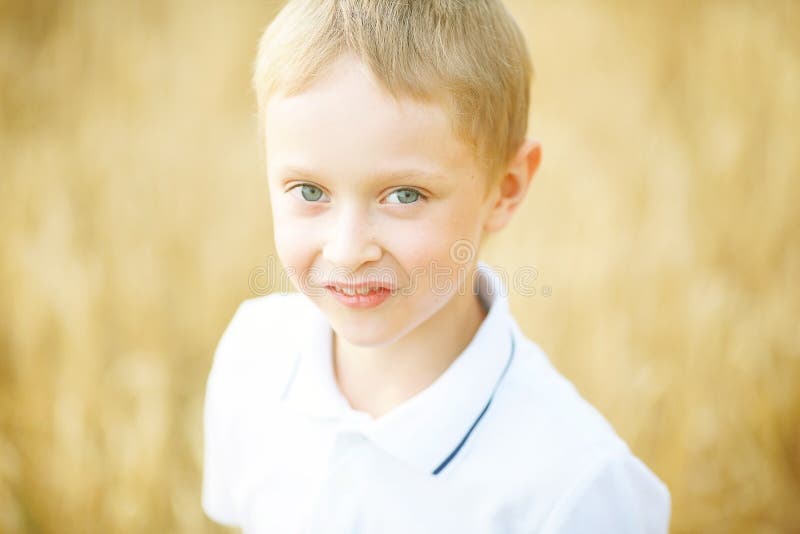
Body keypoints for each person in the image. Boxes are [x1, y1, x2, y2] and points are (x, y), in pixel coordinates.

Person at [202, 0, 671, 531]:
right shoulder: (252, 357)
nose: (348, 250)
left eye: (404, 195)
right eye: (310, 190)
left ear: (506, 188)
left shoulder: (574, 488)